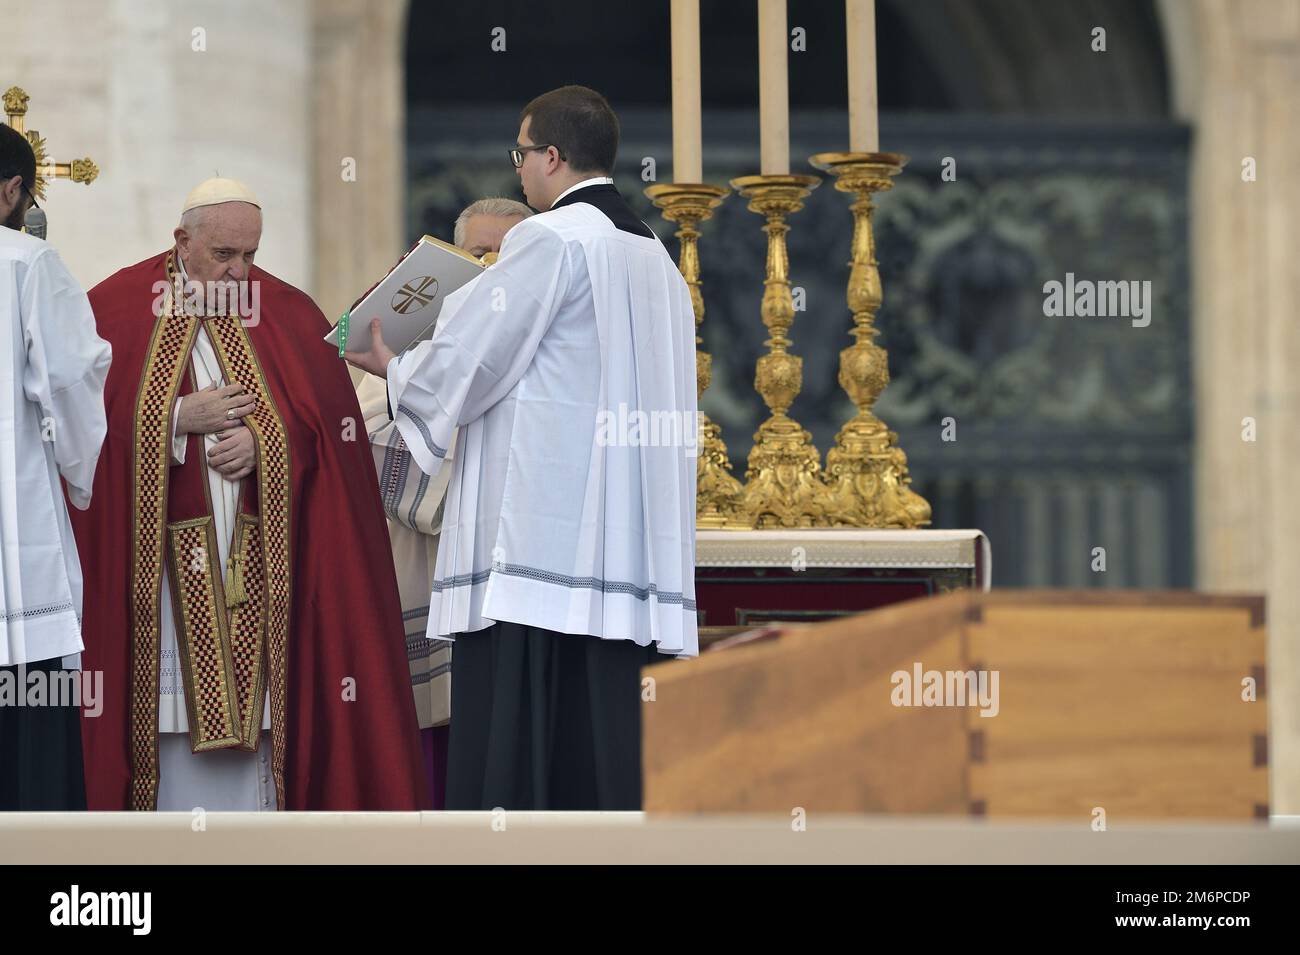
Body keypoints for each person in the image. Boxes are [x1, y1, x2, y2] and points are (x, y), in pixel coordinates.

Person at [347, 86, 699, 810]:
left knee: (523, 755)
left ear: (552, 156)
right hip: (622, 546)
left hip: (542, 549)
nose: (519, 171)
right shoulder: (653, 253)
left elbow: (477, 357)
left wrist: (395, 366)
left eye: (522, 153)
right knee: (599, 746)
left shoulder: (550, 238)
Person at [71, 178, 426, 811]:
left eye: (251, 256)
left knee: (262, 734)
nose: (240, 271)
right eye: (224, 255)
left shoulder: (288, 312)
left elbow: (329, 430)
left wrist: (268, 445)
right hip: (160, 582)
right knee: (165, 725)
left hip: (263, 569)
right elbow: (84, 428)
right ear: (182, 241)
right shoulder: (117, 306)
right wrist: (174, 420)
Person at [356, 196, 532, 809]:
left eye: (507, 258)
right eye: (477, 253)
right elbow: (391, 470)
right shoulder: (404, 354)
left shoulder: (537, 355)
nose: (488, 271)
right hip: (420, 589)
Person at [0, 122, 111, 810]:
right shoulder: (27, 263)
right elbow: (70, 377)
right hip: (19, 576)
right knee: (29, 771)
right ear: (13, 190)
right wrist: (77, 470)